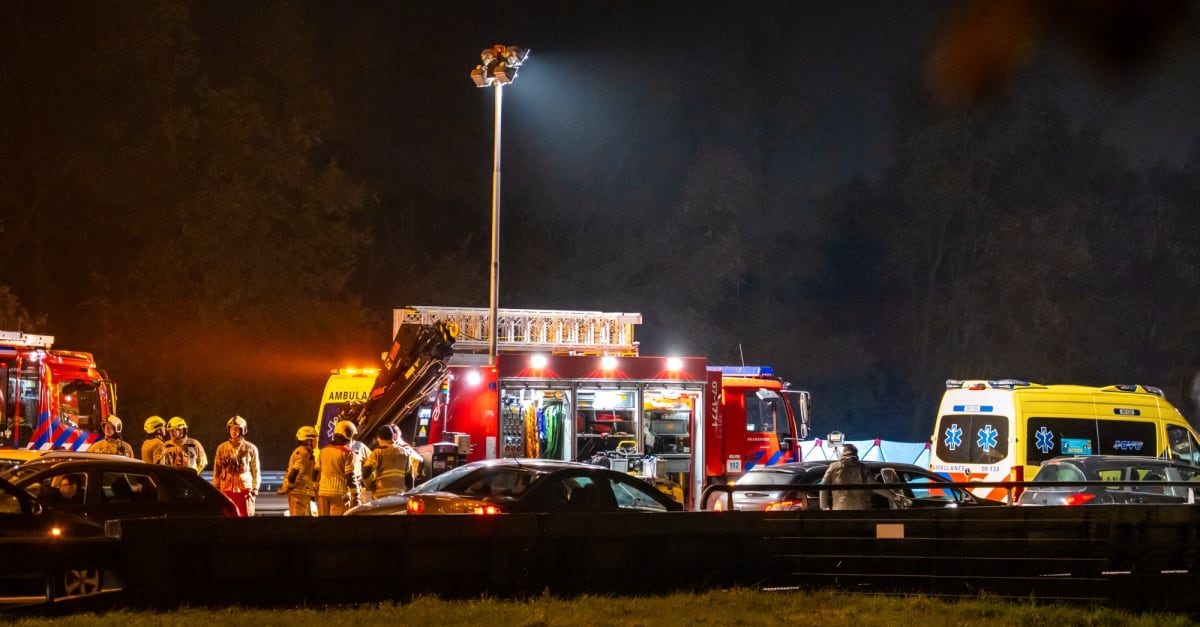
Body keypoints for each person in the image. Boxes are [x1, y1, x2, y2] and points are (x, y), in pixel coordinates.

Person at [212, 415, 261, 516]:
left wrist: (255, 487)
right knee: (228, 516)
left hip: (245, 490)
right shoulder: (221, 448)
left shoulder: (251, 448)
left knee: (246, 515)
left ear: (242, 430)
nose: (234, 431)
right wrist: (216, 488)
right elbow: (217, 470)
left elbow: (255, 470)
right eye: (231, 429)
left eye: (237, 429)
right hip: (226, 489)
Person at [819, 443, 885, 510]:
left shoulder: (833, 467)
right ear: (856, 453)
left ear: (842, 453)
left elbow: (824, 486)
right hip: (860, 508)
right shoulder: (863, 468)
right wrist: (891, 495)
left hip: (840, 508)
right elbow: (873, 485)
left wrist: (824, 505)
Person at [316, 420, 360, 516]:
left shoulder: (323, 450)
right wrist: (356, 494)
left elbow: (315, 472)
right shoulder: (348, 452)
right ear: (349, 434)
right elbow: (350, 475)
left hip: (322, 493)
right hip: (339, 495)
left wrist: (315, 489)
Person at [362, 424, 412, 500]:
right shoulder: (405, 453)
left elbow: (366, 472)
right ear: (392, 437)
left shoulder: (377, 453)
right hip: (399, 496)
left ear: (379, 439)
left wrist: (370, 486)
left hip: (381, 497)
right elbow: (409, 477)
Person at [278, 425, 319, 517]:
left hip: (302, 494)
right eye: (315, 439)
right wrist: (289, 487)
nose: (316, 441)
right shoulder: (303, 453)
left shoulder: (303, 452)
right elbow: (295, 472)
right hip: (299, 495)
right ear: (308, 440)